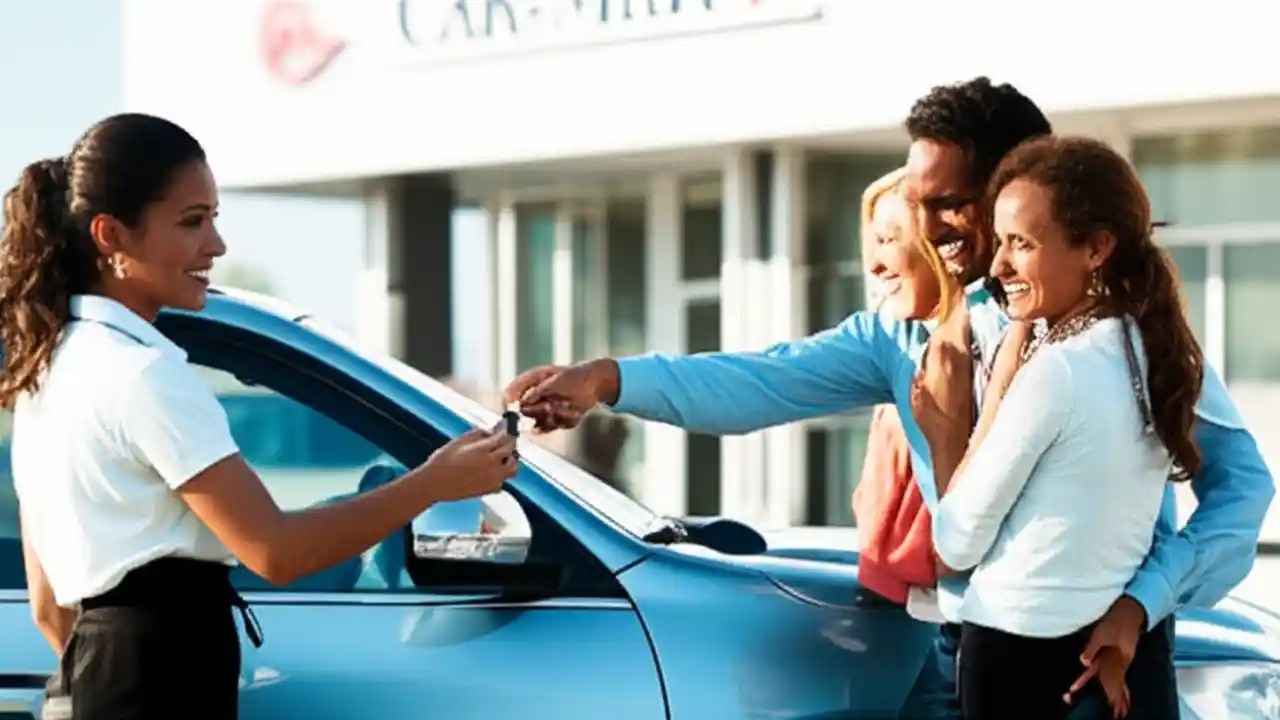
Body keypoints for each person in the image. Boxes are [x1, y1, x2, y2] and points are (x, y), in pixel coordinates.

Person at [502, 77, 1275, 718]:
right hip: (967, 657)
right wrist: (607, 379)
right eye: (917, 200)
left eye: (948, 202)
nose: (927, 224)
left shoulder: (1125, 339)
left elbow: (1241, 486)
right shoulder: (903, 339)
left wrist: (1144, 599)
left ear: (1015, 189)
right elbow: (758, 379)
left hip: (1106, 660)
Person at [2, 113, 518, 719]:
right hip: (160, 681)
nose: (216, 246)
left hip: (101, 679)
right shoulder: (143, 374)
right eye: (192, 222)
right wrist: (434, 482)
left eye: (214, 219)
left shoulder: (48, 370)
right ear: (111, 235)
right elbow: (276, 553)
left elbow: (48, 606)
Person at [912, 135, 1200, 718]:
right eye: (999, 241)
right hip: (1098, 653)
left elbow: (955, 546)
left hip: (1012, 665)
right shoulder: (1153, 350)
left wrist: (981, 406)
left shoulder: (1057, 371)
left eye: (1021, 243)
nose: (996, 266)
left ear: (1096, 248)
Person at [850, 166, 956, 610]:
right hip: (910, 608)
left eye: (889, 240)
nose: (875, 264)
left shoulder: (1005, 348)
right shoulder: (894, 343)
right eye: (871, 243)